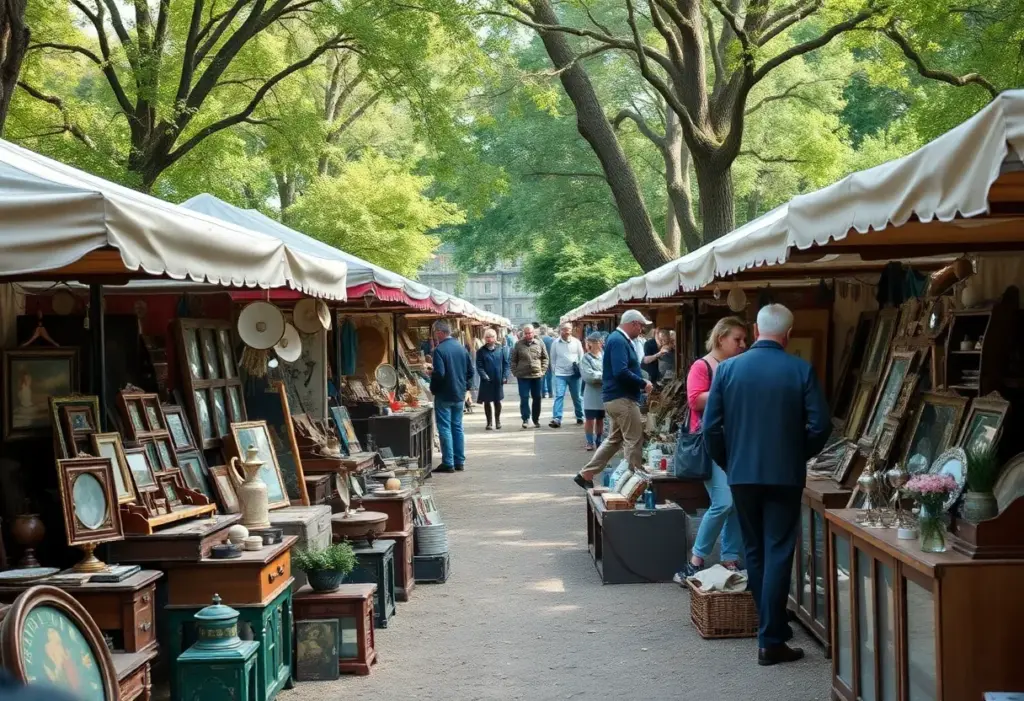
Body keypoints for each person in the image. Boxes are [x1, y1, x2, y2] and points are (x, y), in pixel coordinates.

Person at [702, 304, 831, 666]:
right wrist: (797, 454)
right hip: (784, 475)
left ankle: (770, 630)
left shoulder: (727, 370)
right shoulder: (800, 369)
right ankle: (771, 638)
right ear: (788, 334)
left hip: (742, 473)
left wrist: (730, 462)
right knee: (777, 551)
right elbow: (820, 425)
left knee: (755, 551)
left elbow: (711, 428)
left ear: (756, 330)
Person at [674, 317, 748, 585]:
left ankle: (730, 557)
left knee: (738, 502)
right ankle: (695, 561)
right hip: (710, 442)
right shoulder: (702, 365)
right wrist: (729, 390)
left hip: (736, 443)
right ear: (720, 339)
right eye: (737, 339)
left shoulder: (736, 365)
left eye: (743, 339)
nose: (742, 344)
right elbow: (695, 400)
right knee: (724, 502)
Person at [573, 310, 653, 489]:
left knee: (614, 439)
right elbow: (621, 371)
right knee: (634, 439)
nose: (641, 330)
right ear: (633, 323)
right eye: (640, 325)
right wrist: (642, 383)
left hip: (616, 398)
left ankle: (585, 474)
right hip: (622, 398)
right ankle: (635, 483)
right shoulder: (619, 341)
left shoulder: (619, 340)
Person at [428, 320, 474, 474]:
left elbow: (440, 373)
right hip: (459, 394)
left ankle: (448, 462)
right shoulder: (461, 348)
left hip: (444, 394)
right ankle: (459, 460)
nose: (435, 337)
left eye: (435, 333)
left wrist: (432, 383)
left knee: (445, 427)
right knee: (457, 427)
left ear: (440, 332)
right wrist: (465, 388)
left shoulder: (439, 350)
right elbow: (470, 371)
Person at [510, 323, 548, 429]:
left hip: (537, 375)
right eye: (526, 333)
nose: (528, 335)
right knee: (524, 397)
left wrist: (543, 370)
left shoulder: (540, 343)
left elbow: (545, 358)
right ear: (523, 333)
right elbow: (513, 359)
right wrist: (515, 371)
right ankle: (526, 419)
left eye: (530, 333)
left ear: (533, 332)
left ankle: (535, 419)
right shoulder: (518, 344)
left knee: (537, 397)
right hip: (523, 376)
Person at [548, 322, 585, 428]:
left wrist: (580, 369)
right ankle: (557, 418)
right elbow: (553, 358)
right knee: (559, 395)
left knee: (577, 396)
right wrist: (555, 370)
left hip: (574, 374)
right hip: (560, 374)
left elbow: (581, 357)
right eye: (565, 329)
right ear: (561, 330)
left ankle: (580, 416)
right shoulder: (555, 343)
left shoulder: (576, 342)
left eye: (569, 329)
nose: (567, 331)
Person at [476, 329, 509, 430]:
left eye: (491, 337)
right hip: (486, 381)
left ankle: (498, 421)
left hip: (497, 379)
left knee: (497, 401)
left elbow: (505, 364)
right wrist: (484, 375)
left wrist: (504, 376)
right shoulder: (481, 351)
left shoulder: (500, 349)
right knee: (487, 401)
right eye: (487, 337)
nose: (489, 339)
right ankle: (489, 422)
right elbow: (479, 366)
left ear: (495, 338)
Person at [579, 332, 605, 451]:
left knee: (600, 418)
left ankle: (599, 440)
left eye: (601, 342)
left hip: (603, 392)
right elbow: (588, 376)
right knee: (589, 419)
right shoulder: (586, 358)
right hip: (591, 392)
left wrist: (598, 375)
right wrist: (604, 376)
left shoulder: (605, 356)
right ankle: (589, 441)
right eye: (599, 342)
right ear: (593, 343)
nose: (602, 344)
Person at [540, 326, 555, 398]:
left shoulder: (538, 340)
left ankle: (542, 393)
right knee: (549, 378)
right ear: (546, 330)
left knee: (542, 378)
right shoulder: (552, 340)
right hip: (550, 361)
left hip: (541, 361)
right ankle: (550, 393)